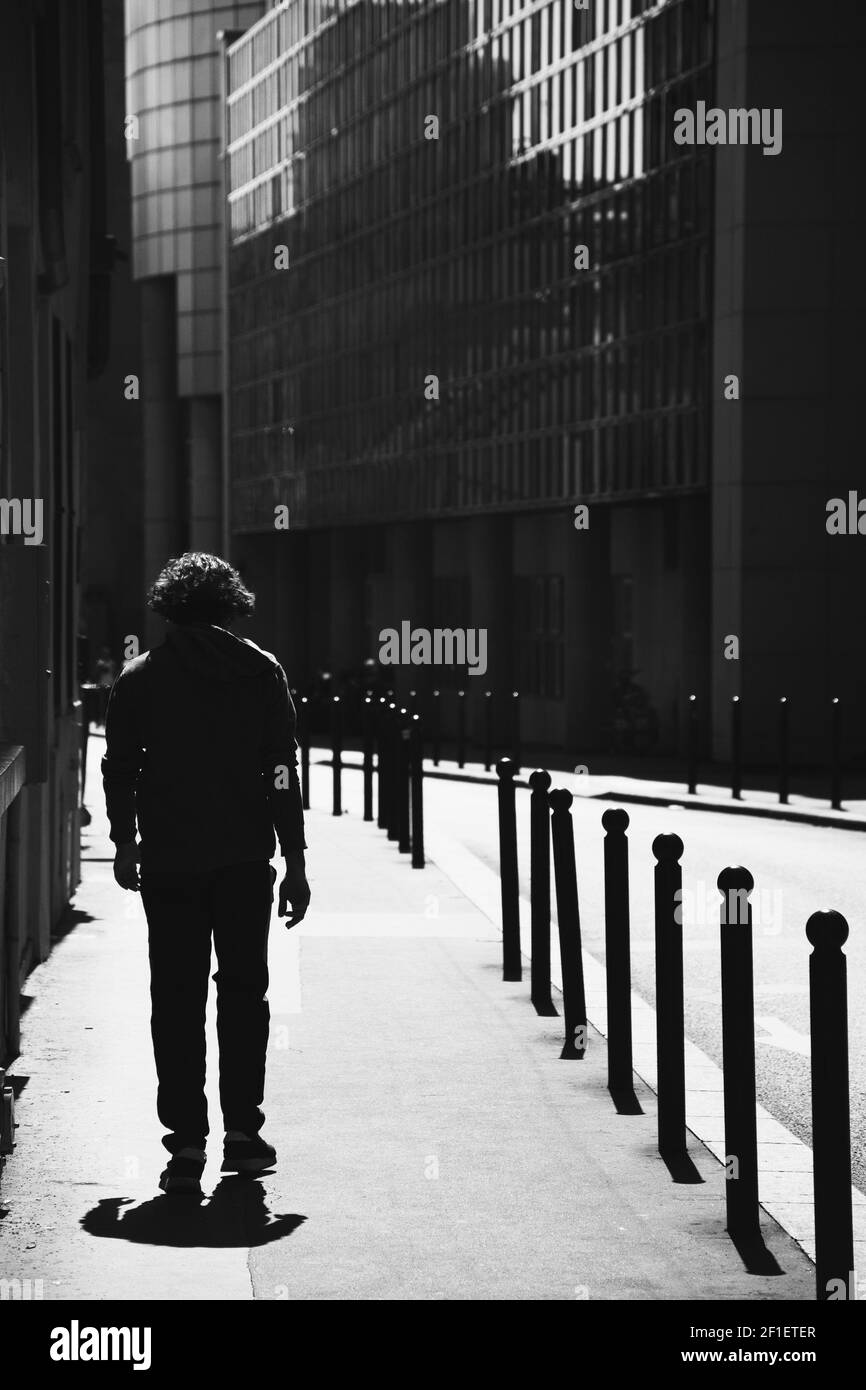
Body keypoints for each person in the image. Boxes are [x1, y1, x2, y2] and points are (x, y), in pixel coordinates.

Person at [101, 552, 310, 1196]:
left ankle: (186, 1142)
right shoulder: (261, 671)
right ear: (230, 606)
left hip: (169, 859)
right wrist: (295, 858)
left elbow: (120, 767)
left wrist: (124, 842)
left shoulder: (141, 677)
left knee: (177, 996)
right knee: (245, 994)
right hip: (247, 859)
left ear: (168, 608)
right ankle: (243, 1135)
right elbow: (281, 770)